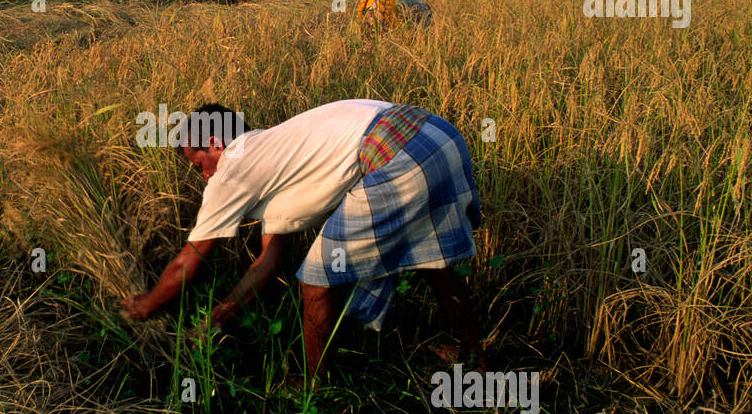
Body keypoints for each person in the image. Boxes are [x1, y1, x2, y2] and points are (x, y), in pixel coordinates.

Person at [119, 100, 489, 387]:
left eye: (200, 163)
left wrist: (146, 305)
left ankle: (315, 389)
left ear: (215, 143)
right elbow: (269, 261)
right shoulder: (275, 152)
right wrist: (215, 319)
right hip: (437, 134)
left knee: (315, 280)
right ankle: (477, 361)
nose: (204, 176)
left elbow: (190, 259)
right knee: (434, 263)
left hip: (393, 152)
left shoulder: (233, 167)